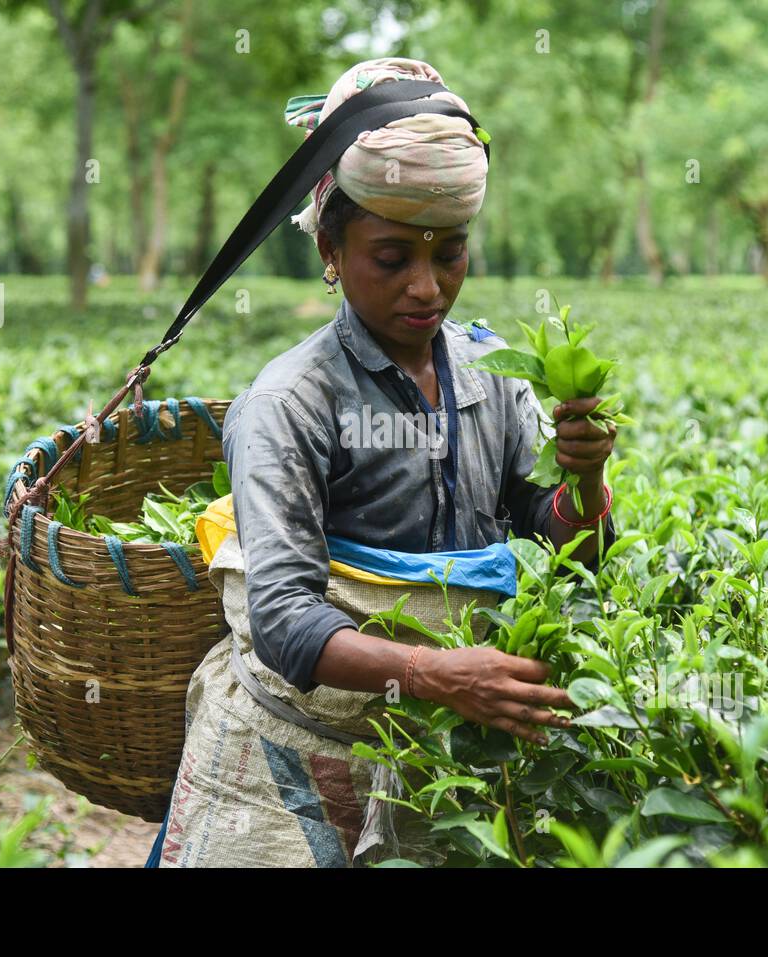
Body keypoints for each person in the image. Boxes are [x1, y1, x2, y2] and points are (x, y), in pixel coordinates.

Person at [151, 57, 616, 869]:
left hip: (450, 755)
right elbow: (287, 622)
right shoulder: (289, 402)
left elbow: (555, 536)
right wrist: (439, 673)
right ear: (330, 250)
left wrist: (583, 479)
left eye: (451, 255)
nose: (429, 288)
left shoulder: (492, 371)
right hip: (300, 750)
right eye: (393, 258)